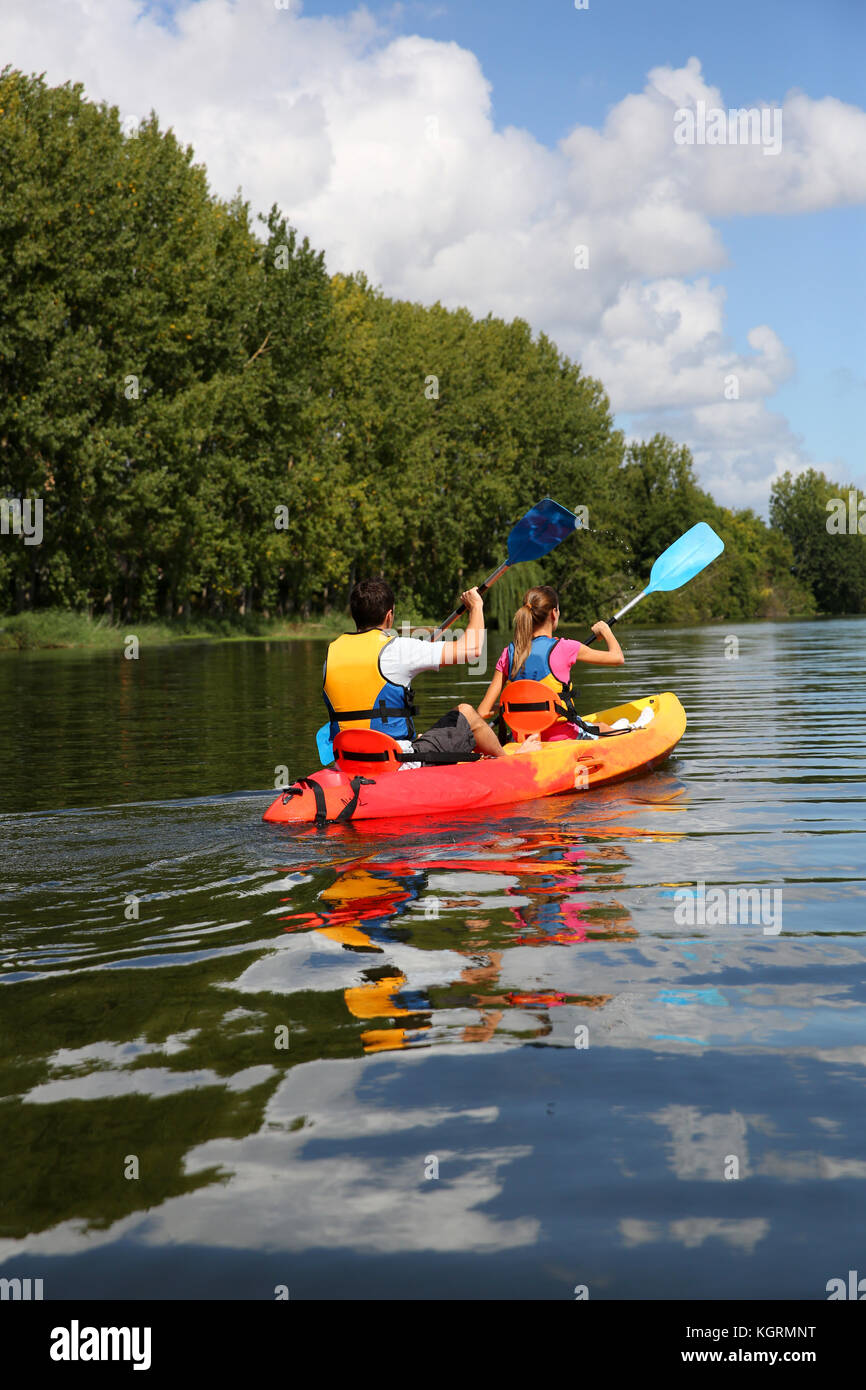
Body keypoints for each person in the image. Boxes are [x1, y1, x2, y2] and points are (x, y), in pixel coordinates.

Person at [323, 578, 540, 766]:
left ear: (354, 615)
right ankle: (509, 762)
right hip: (393, 761)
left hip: (347, 760)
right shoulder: (398, 649)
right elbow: (473, 650)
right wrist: (476, 606)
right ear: (389, 616)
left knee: (420, 735)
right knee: (465, 712)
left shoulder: (331, 653)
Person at [476, 584, 630, 740]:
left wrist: (507, 708)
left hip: (523, 739)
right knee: (603, 728)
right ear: (554, 613)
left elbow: (482, 712)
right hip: (562, 736)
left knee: (593, 725)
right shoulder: (566, 647)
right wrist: (605, 631)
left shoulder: (508, 654)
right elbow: (617, 658)